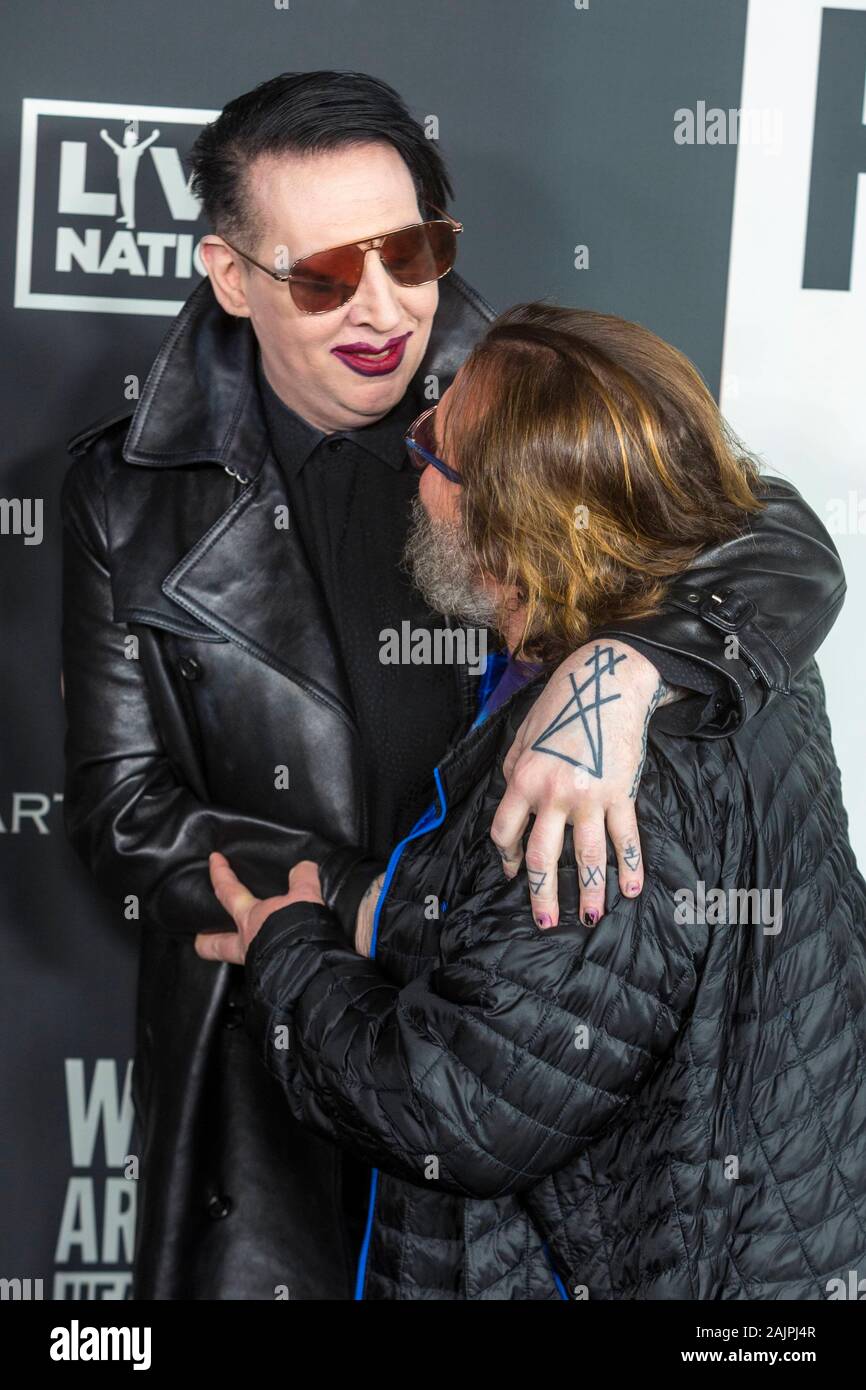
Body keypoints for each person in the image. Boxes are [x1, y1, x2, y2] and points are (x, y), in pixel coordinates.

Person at [61, 71, 846, 1300]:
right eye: (322, 274)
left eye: (411, 251)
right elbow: (125, 810)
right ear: (231, 278)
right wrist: (359, 914)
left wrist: (626, 664)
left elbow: (767, 534)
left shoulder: (528, 382)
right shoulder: (128, 493)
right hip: (288, 1046)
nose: (383, 307)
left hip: (538, 1080)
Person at [208, 303, 866, 1301]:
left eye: (435, 447)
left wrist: (287, 950)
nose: (412, 456)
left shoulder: (574, 801)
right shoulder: (729, 646)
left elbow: (456, 1112)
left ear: (515, 529)